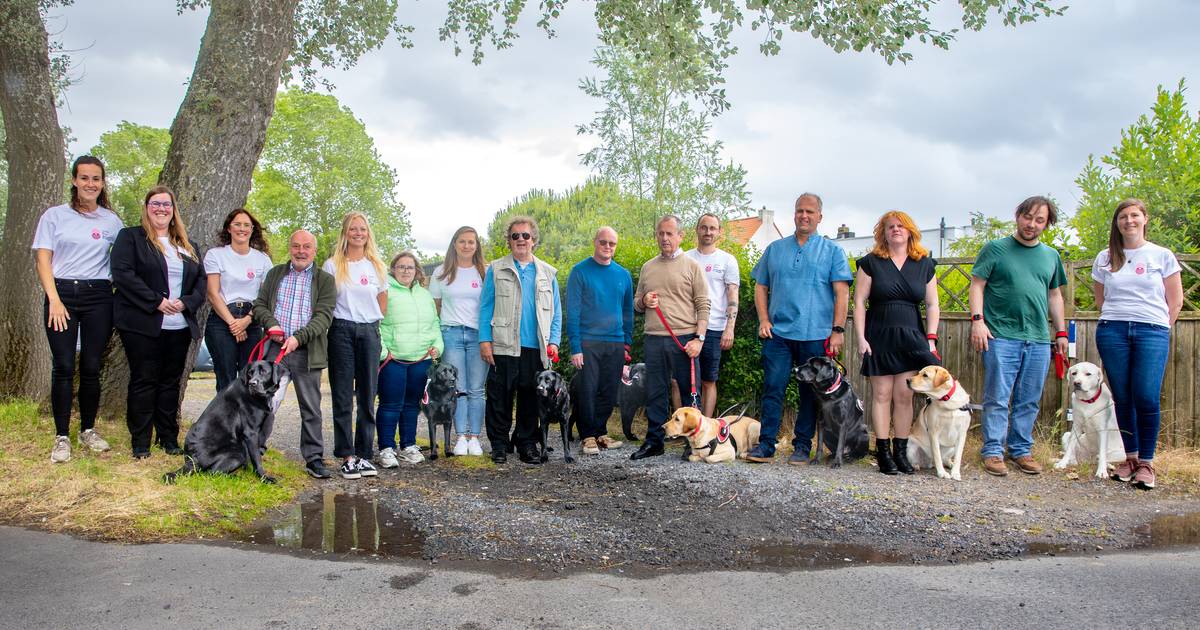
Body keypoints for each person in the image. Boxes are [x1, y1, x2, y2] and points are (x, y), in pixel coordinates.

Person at [745, 193, 853, 464]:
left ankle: (802, 446)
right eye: (799, 211)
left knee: (809, 393)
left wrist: (837, 330)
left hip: (815, 333)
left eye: (810, 211)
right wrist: (764, 319)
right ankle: (766, 445)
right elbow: (760, 285)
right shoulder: (775, 249)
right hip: (778, 334)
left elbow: (842, 293)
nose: (804, 216)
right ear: (794, 214)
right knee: (773, 387)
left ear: (819, 217)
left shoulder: (832, 251)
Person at [32, 155, 124, 463]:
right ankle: (61, 436)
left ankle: (87, 429)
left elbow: (125, 255)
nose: (90, 184)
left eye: (96, 179)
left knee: (91, 366)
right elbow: (43, 258)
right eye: (84, 178)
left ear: (102, 183)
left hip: (98, 296)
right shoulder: (55, 216)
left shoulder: (110, 221)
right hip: (62, 296)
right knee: (63, 366)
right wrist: (54, 298)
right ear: (74, 180)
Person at [969, 195, 1068, 477]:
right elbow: (977, 286)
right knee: (998, 397)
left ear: (1047, 224)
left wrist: (1060, 331)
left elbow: (1055, 294)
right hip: (1000, 335)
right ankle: (993, 451)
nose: (1032, 224)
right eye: (1028, 217)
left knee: (1029, 399)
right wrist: (978, 321)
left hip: (1037, 338)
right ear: (1018, 216)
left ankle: (1021, 450)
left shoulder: (1051, 256)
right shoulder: (995, 249)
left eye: (1040, 220)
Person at [1092, 199, 1183, 490]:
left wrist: (1160, 328)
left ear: (1145, 219)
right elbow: (1100, 299)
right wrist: (1120, 318)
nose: (1128, 221)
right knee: (1122, 396)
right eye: (1123, 217)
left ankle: (1146, 462)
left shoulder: (1161, 255)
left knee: (1146, 395)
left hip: (1152, 331)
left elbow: (1176, 300)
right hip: (1112, 331)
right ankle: (1129, 459)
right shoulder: (1105, 257)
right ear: (1117, 223)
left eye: (1134, 215)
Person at [111, 186, 206, 458]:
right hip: (143, 324)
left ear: (173, 209)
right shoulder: (131, 238)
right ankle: (141, 442)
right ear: (147, 207)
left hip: (179, 327)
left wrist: (186, 302)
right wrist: (156, 301)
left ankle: (168, 439)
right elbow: (123, 274)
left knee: (170, 384)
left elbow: (200, 281)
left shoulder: (187, 246)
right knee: (144, 381)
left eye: (166, 204)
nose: (161, 209)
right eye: (156, 204)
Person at [853, 210, 940, 475]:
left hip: (912, 336)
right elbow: (858, 302)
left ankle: (901, 452)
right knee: (881, 395)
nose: (896, 230)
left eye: (901, 226)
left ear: (910, 231)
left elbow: (933, 303)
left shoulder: (924, 263)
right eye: (890, 227)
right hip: (879, 334)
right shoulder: (870, 262)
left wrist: (932, 340)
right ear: (883, 233)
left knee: (905, 395)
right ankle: (883, 453)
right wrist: (861, 338)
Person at [478, 216, 563, 465]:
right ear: (509, 241)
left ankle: (526, 443)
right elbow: (485, 308)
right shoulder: (496, 269)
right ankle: (500, 444)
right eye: (515, 236)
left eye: (525, 235)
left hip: (535, 347)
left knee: (530, 398)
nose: (521, 240)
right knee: (499, 397)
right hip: (503, 344)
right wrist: (485, 340)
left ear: (533, 240)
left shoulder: (547, 273)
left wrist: (554, 342)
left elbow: (556, 313)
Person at [253, 229, 337, 479]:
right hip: (274, 349)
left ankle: (314, 459)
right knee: (265, 401)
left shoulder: (324, 280)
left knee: (310, 407)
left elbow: (324, 316)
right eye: (296, 246)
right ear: (290, 248)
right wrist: (272, 325)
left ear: (314, 251)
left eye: (307, 247)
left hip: (306, 351)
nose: (301, 251)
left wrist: (298, 338)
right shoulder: (275, 273)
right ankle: (254, 450)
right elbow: (259, 305)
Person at [629, 215, 710, 461]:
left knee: (688, 393)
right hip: (654, 338)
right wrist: (644, 302)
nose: (664, 238)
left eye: (669, 234)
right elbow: (636, 303)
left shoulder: (692, 266)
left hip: (684, 339)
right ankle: (654, 442)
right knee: (655, 392)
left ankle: (693, 443)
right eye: (661, 234)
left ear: (680, 236)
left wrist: (699, 339)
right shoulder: (647, 267)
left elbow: (704, 304)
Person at [321, 212, 389, 480]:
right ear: (345, 232)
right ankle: (347, 455)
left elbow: (382, 301)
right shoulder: (332, 265)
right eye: (353, 229)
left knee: (367, 393)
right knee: (341, 395)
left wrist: (372, 323)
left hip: (369, 331)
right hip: (341, 330)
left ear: (367, 233)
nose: (358, 233)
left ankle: (362, 454)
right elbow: (327, 301)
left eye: (362, 229)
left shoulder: (377, 266)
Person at [566, 226, 633, 455]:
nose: (607, 247)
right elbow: (572, 313)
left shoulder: (623, 275)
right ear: (595, 242)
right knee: (587, 389)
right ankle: (587, 437)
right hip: (588, 341)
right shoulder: (580, 272)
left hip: (615, 342)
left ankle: (600, 432)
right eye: (603, 242)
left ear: (616, 245)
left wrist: (627, 344)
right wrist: (575, 347)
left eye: (611, 243)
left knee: (608, 390)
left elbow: (627, 312)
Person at [376, 252, 443, 467]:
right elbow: (376, 322)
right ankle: (386, 448)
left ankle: (408, 445)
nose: (406, 271)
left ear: (417, 271)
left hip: (420, 359)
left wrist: (437, 346)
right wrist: (384, 351)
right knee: (390, 404)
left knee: (411, 405)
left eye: (410, 267)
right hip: (393, 359)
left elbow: (434, 323)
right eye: (401, 267)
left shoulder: (424, 295)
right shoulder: (385, 292)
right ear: (393, 269)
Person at [429, 226, 487, 456]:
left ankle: (475, 438)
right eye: (462, 241)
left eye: (471, 242)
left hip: (477, 335)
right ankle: (461, 436)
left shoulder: (484, 271)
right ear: (455, 244)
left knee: (477, 389)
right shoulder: (441, 272)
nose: (467, 246)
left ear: (476, 245)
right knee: (457, 388)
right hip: (451, 333)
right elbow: (436, 304)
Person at [203, 208, 272, 392]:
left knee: (250, 378)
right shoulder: (215, 255)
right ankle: (225, 420)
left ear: (252, 229)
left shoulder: (262, 259)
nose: (242, 229)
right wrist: (234, 324)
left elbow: (265, 295)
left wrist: (247, 320)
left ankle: (247, 421)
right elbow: (213, 293)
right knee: (225, 377)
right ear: (228, 228)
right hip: (222, 320)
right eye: (237, 224)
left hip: (252, 319)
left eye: (246, 225)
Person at [684, 213, 740, 417]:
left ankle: (705, 428)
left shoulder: (727, 260)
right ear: (697, 229)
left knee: (708, 380)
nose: (708, 232)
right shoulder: (685, 257)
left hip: (715, 328)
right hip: (686, 326)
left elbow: (733, 294)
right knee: (680, 380)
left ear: (719, 232)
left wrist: (729, 329)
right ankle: (683, 430)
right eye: (704, 227)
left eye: (712, 228)